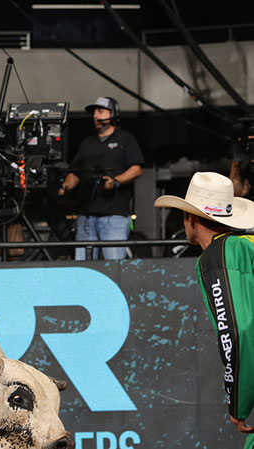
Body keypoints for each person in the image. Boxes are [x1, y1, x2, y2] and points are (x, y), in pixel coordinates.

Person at [154, 171, 254, 440]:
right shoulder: (245, 245)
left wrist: (238, 402)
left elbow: (238, 331)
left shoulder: (219, 254)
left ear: (191, 218)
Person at [57, 97, 144, 260]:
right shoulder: (87, 143)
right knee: (83, 265)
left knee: (114, 266)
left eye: (101, 111)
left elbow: (136, 169)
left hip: (114, 215)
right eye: (94, 113)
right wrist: (65, 187)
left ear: (113, 114)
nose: (96, 116)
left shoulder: (125, 139)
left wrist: (115, 181)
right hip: (86, 216)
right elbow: (75, 172)